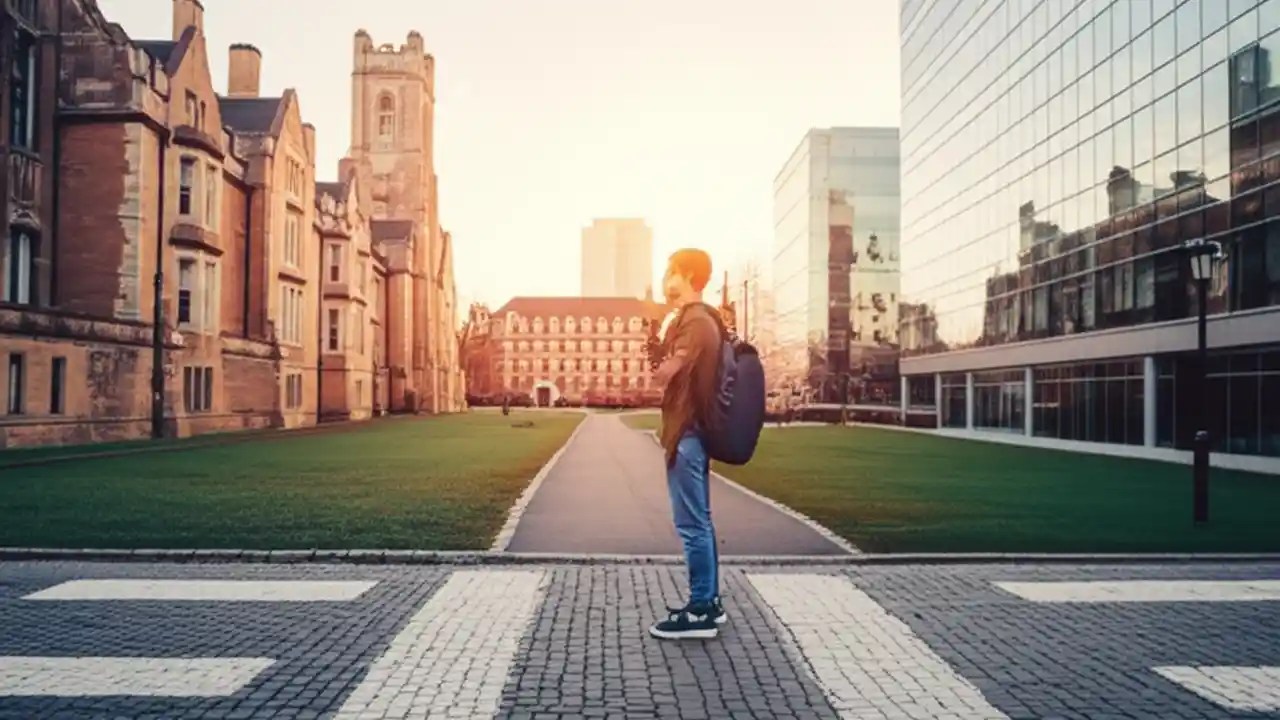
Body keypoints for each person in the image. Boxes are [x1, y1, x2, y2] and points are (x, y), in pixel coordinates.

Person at [648, 248, 727, 640]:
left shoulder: (694, 323)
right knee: (701, 521)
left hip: (686, 434)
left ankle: (699, 610)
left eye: (671, 271)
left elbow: (665, 374)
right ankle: (709, 601)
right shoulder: (702, 321)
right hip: (693, 432)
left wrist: (654, 343)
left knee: (691, 524)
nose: (666, 279)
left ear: (689, 276)